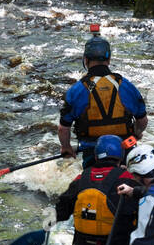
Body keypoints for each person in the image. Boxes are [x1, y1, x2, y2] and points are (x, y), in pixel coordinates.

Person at [58, 24, 148, 165]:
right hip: (123, 148)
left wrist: (66, 147)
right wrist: (136, 134)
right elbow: (142, 121)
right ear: (109, 60)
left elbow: (63, 128)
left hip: (92, 152)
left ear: (86, 60)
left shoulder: (77, 90)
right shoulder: (126, 86)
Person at [54, 135, 138, 245]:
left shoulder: (81, 178)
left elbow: (60, 212)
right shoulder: (129, 180)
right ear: (121, 157)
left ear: (96, 156)